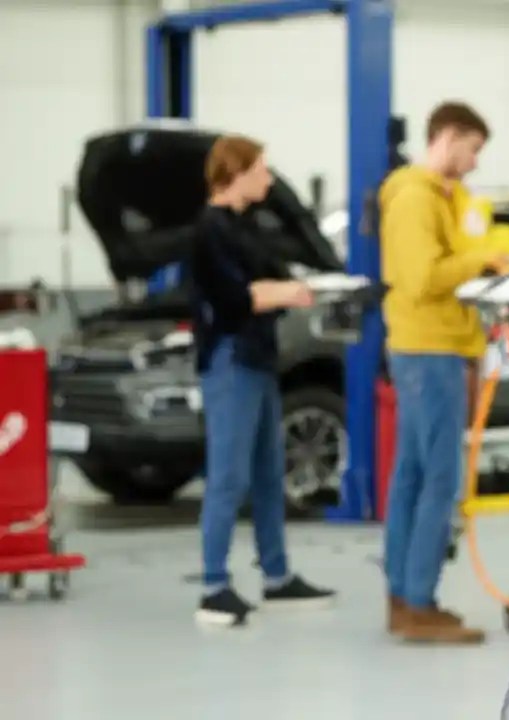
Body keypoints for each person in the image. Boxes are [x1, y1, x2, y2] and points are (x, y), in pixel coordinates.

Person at [188, 134, 336, 627]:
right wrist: (287, 293)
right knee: (228, 477)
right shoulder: (209, 231)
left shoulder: (246, 227)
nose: (269, 180)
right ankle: (213, 585)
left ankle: (276, 576)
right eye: (262, 170)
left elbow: (275, 272)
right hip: (230, 361)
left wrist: (308, 281)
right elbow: (233, 298)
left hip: (259, 359)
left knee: (269, 473)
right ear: (237, 171)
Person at [379, 101, 509, 643]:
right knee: (439, 478)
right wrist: (484, 261)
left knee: (412, 476)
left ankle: (404, 595)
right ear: (449, 136)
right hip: (428, 350)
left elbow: (448, 257)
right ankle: (418, 602)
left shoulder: (443, 199)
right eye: (473, 148)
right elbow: (421, 276)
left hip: (432, 348)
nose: (475, 162)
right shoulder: (413, 198)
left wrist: (484, 249)